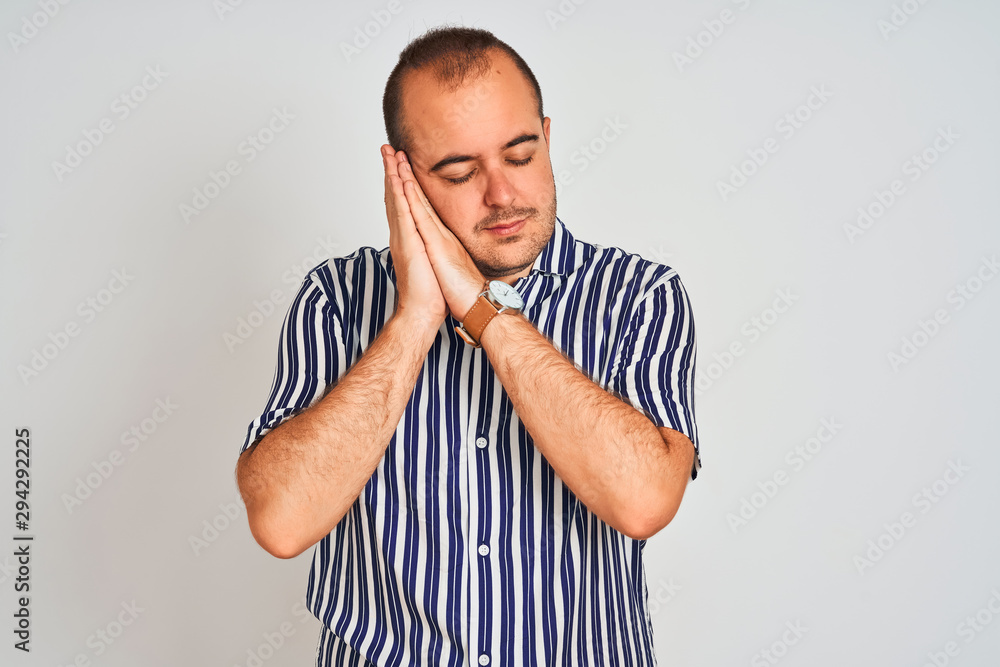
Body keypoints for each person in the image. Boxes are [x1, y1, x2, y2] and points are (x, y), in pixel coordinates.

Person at [236, 25, 701, 667]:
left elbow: (645, 501)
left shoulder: (639, 296)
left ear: (547, 137)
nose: (503, 195)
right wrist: (414, 317)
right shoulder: (336, 299)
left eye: (520, 155)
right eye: (459, 171)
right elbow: (282, 522)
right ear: (404, 178)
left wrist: (482, 311)